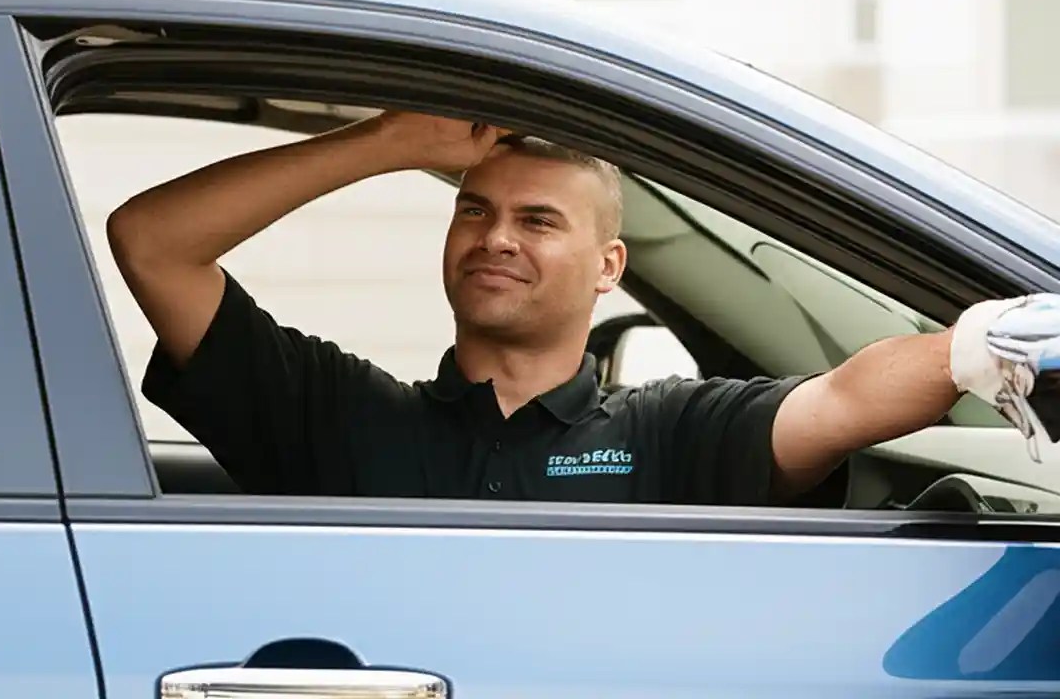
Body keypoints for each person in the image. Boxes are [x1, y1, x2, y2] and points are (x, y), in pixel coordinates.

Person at [104, 110, 993, 504]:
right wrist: (389, 142)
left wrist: (987, 343)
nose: (496, 238)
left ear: (610, 266)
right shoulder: (338, 412)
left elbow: (845, 398)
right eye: (474, 210)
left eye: (537, 220)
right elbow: (151, 240)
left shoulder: (671, 433)